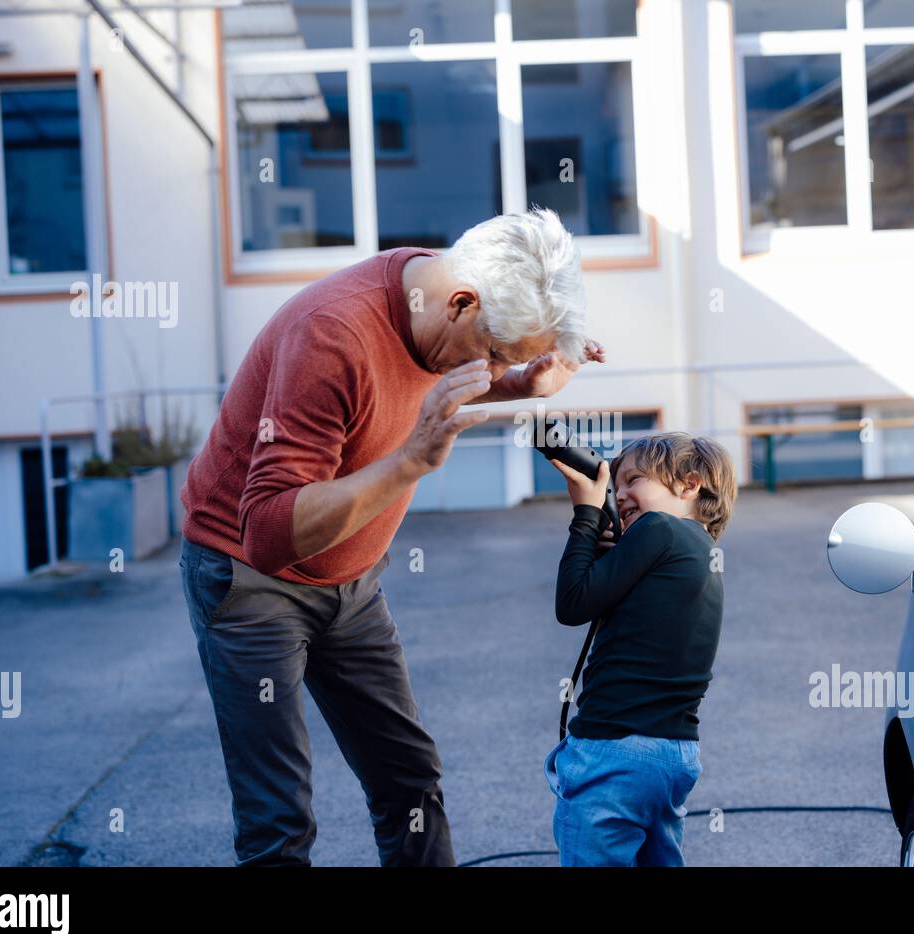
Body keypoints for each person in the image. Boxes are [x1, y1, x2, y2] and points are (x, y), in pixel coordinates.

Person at [179, 209, 605, 866]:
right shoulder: (333, 334)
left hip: (351, 579)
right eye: (495, 355)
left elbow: (431, 374)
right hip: (249, 579)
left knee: (409, 779)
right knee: (278, 817)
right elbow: (266, 532)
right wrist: (410, 460)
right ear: (461, 304)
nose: (491, 371)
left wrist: (521, 381)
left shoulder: (440, 290)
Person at [544, 432, 736, 866]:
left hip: (614, 749)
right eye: (615, 486)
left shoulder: (657, 527)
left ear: (689, 485)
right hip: (672, 754)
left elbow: (572, 604)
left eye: (633, 480)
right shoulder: (699, 550)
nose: (620, 493)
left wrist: (586, 514)